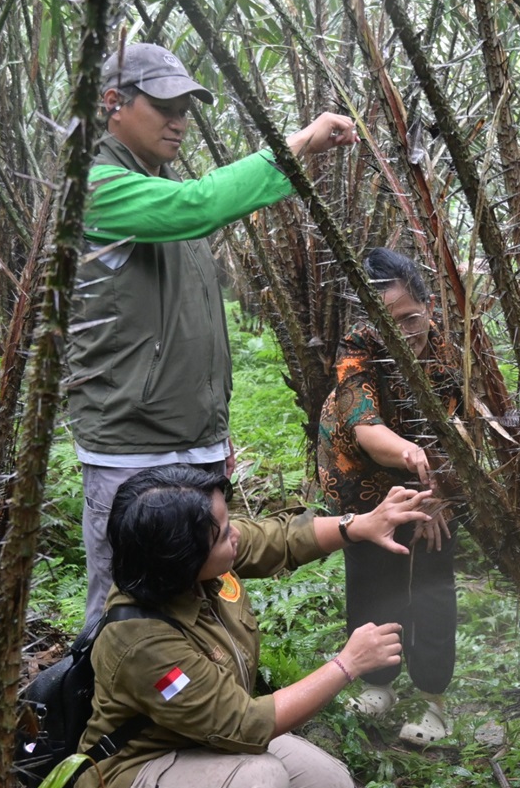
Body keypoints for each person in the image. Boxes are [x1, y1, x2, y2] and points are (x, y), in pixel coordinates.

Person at [68, 40, 360, 628]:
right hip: (134, 446)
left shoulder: (159, 186)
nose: (179, 120)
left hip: (190, 439)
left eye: (186, 108)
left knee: (200, 597)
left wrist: (212, 427)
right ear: (112, 103)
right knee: (126, 606)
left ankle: (203, 713)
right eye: (164, 106)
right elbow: (195, 207)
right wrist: (297, 142)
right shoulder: (98, 188)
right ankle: (102, 716)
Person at [72, 464, 432, 788]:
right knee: (262, 784)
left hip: (202, 737)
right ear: (183, 558)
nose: (235, 536)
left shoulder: (200, 562)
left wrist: (360, 525)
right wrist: (346, 665)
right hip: (135, 770)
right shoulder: (144, 640)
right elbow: (244, 724)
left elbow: (278, 539)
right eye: (223, 534)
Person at [316, 248, 462, 745]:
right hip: (363, 481)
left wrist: (436, 494)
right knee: (373, 578)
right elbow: (366, 429)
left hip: (434, 480)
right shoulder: (359, 345)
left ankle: (434, 702)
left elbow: (464, 427)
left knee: (433, 582)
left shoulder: (447, 353)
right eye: (390, 322)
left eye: (411, 317)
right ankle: (379, 684)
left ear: (430, 306)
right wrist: (411, 455)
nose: (404, 332)